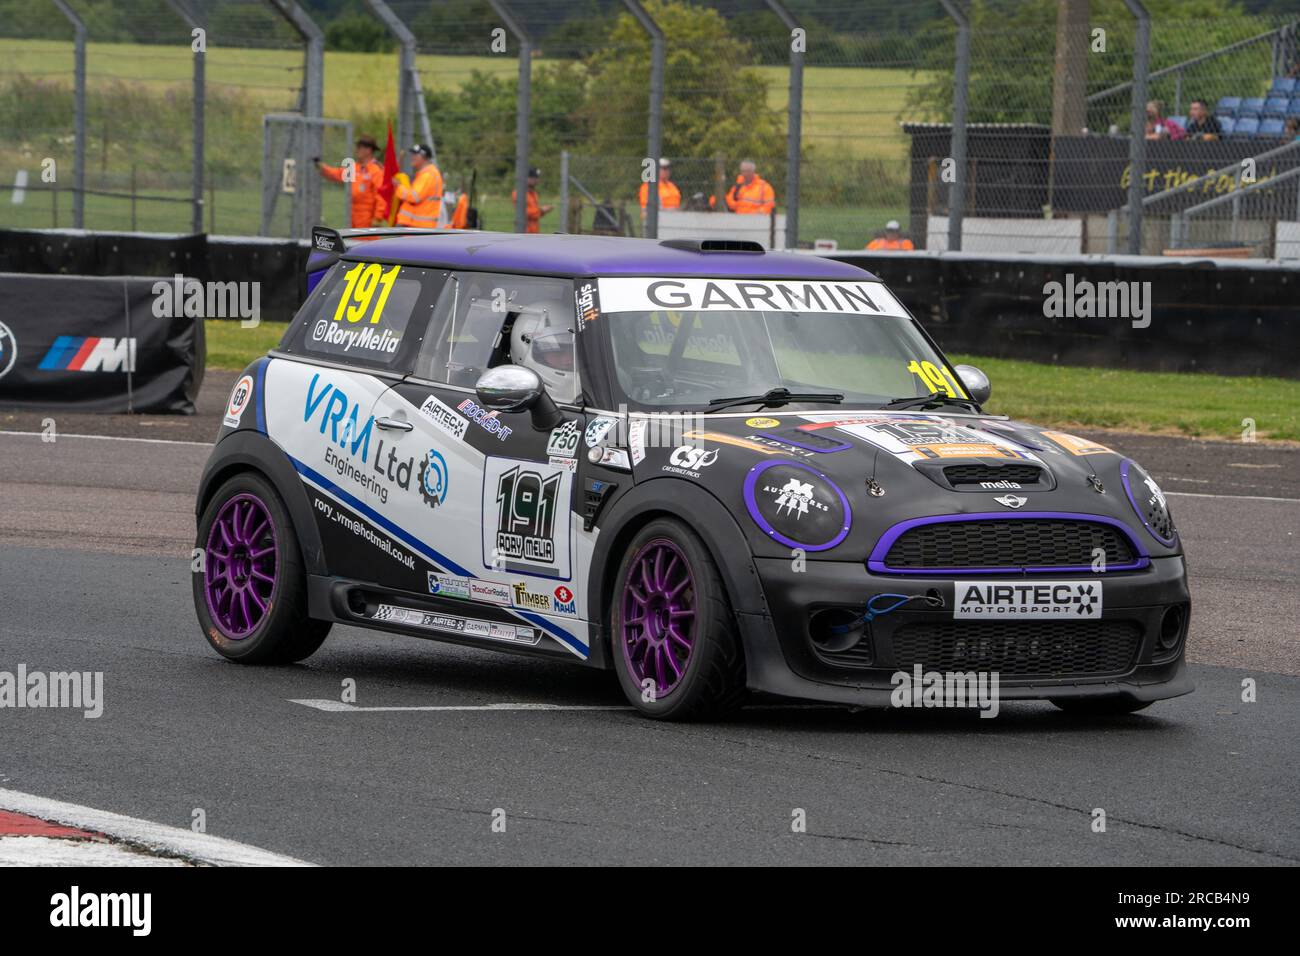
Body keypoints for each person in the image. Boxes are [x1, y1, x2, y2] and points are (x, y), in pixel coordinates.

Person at [313, 135, 388, 228]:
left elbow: (381, 195)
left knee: (365, 241)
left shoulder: (376, 170)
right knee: (351, 240)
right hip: (352, 214)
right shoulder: (354, 167)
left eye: (360, 147)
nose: (357, 150)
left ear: (368, 150)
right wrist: (321, 167)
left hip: (367, 216)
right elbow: (337, 174)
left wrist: (378, 217)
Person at [393, 144, 444, 227]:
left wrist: (399, 187)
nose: (412, 157)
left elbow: (414, 197)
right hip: (417, 226)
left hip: (418, 227)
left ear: (424, 156)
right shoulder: (427, 173)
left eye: (416, 154)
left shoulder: (428, 175)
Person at [511, 166, 553, 233]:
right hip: (524, 233)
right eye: (534, 177)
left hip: (534, 232)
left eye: (537, 178)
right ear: (527, 178)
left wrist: (543, 211)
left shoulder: (534, 193)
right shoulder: (518, 193)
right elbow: (524, 212)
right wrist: (541, 210)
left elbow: (535, 215)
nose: (537, 180)